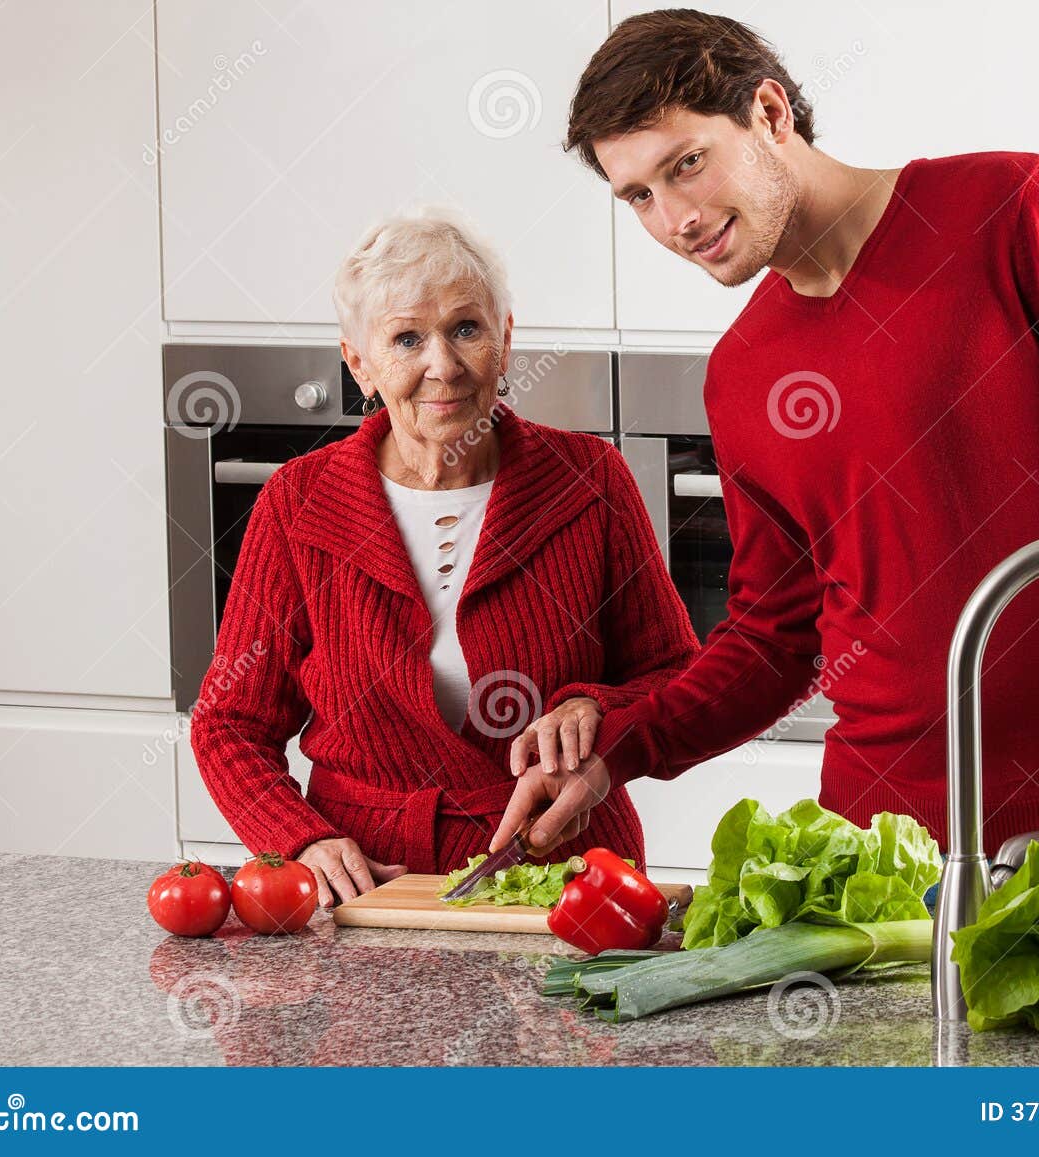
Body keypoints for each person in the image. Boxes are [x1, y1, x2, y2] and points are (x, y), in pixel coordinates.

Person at [495, 9, 1039, 877]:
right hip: (878, 861)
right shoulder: (741, 374)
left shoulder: (1013, 211)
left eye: (687, 164)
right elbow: (773, 639)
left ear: (771, 114)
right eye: (639, 196)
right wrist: (618, 748)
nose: (675, 221)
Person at [191, 210, 700, 907]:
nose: (444, 365)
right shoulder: (297, 503)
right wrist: (300, 836)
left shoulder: (590, 479)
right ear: (359, 364)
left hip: (569, 879)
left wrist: (596, 705)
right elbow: (228, 722)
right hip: (373, 888)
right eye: (407, 337)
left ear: (506, 338)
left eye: (466, 328)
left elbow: (673, 675)